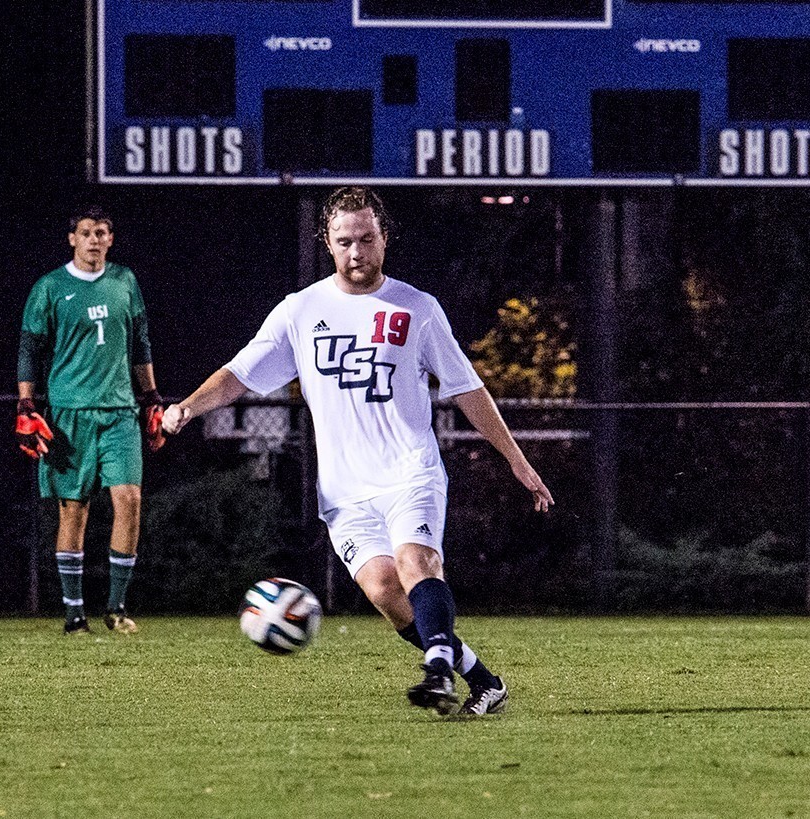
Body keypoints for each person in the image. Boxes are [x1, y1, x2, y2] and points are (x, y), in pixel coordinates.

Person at [162, 187, 553, 715]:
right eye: (344, 241)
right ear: (328, 242)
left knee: (418, 563)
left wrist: (516, 458)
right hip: (344, 490)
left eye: (366, 239)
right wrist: (189, 406)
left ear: (384, 239)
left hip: (409, 470)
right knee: (386, 593)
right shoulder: (300, 311)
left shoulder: (418, 308)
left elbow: (466, 388)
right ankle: (484, 681)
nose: (356, 252)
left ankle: (437, 671)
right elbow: (240, 375)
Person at [16, 206, 164, 635]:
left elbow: (140, 342)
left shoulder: (125, 281)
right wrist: (26, 405)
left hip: (119, 411)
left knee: (129, 502)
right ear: (72, 239)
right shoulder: (49, 287)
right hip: (68, 415)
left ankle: (116, 609)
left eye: (101, 233)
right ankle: (74, 614)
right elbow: (29, 349)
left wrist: (151, 394)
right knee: (73, 513)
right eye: (86, 233)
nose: (94, 239)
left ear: (110, 239)